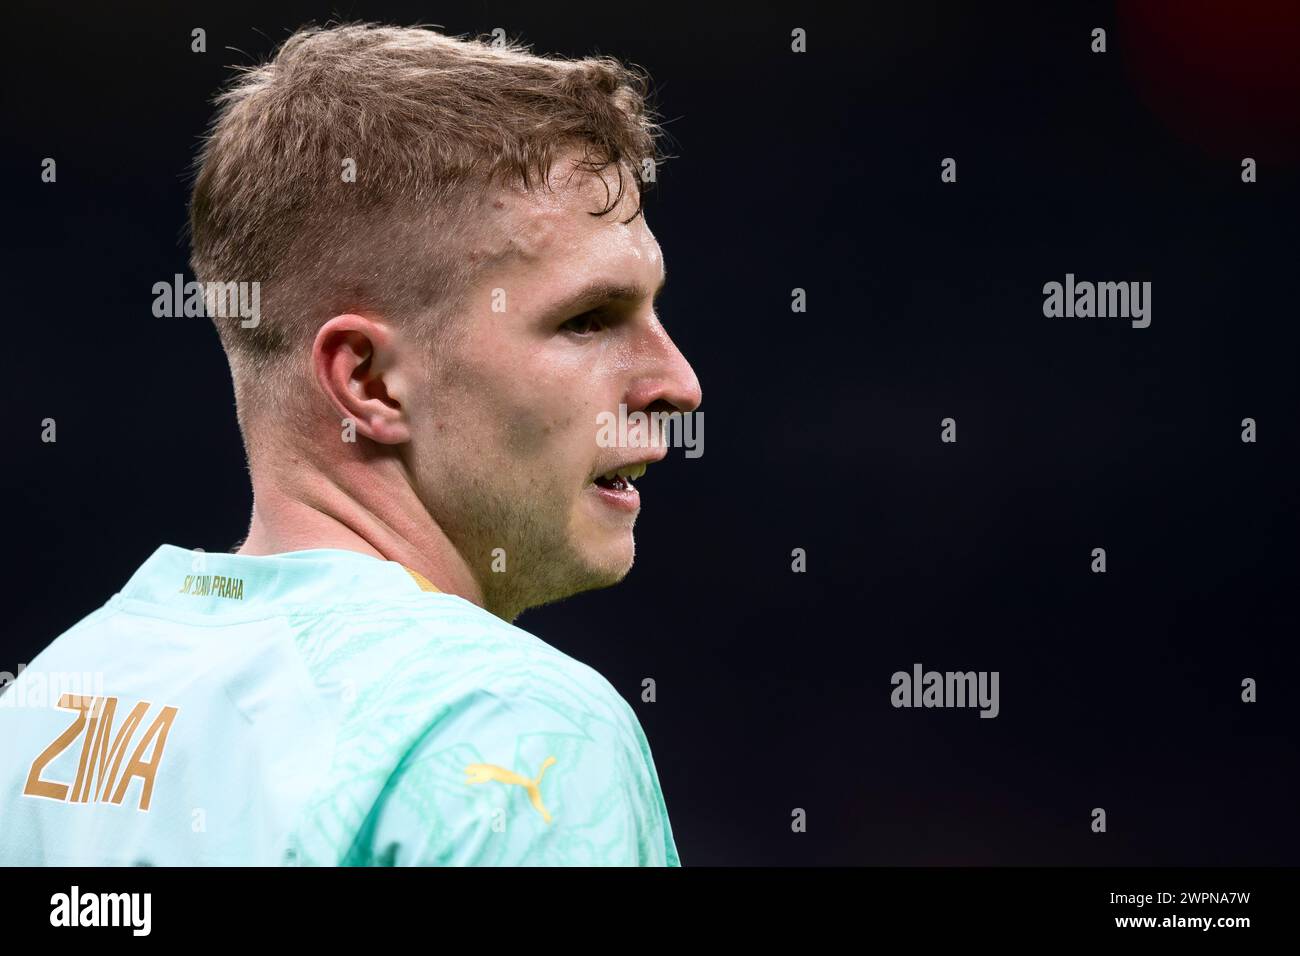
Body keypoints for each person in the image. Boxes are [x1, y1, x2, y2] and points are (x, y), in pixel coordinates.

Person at [0, 22, 700, 866]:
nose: (677, 382)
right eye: (587, 320)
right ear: (366, 382)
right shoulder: (512, 726)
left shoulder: (55, 698)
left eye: (652, 310)